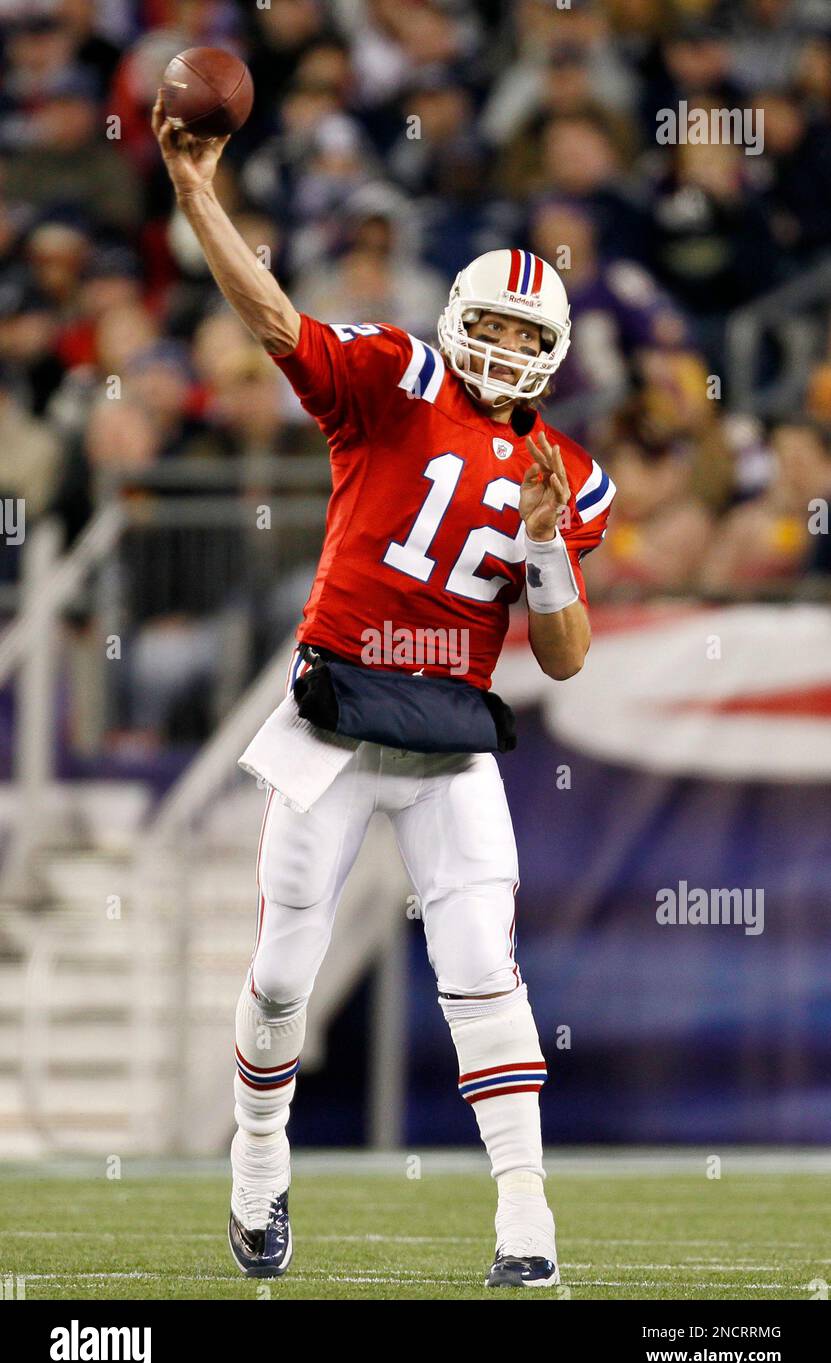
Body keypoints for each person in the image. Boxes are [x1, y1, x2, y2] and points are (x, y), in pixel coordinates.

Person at [152, 94, 615, 1290]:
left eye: (526, 332)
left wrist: (546, 543)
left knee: (482, 969)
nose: (504, 348)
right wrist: (199, 192)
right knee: (282, 970)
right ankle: (260, 1157)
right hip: (339, 715)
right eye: (491, 325)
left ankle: (526, 1216)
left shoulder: (568, 474)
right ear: (455, 320)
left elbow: (565, 656)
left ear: (555, 349)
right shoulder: (396, 377)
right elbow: (273, 319)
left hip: (449, 735)